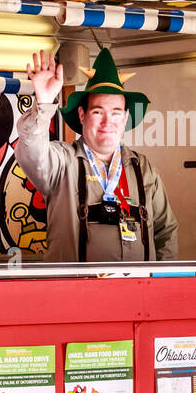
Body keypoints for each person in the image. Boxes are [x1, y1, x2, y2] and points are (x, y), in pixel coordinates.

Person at [16, 48, 178, 263]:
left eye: (116, 113)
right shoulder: (62, 163)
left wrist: (165, 284)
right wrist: (44, 104)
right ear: (82, 114)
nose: (107, 121)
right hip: (76, 293)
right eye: (98, 112)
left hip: (137, 290)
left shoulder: (143, 167)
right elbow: (31, 148)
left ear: (125, 117)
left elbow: (165, 231)